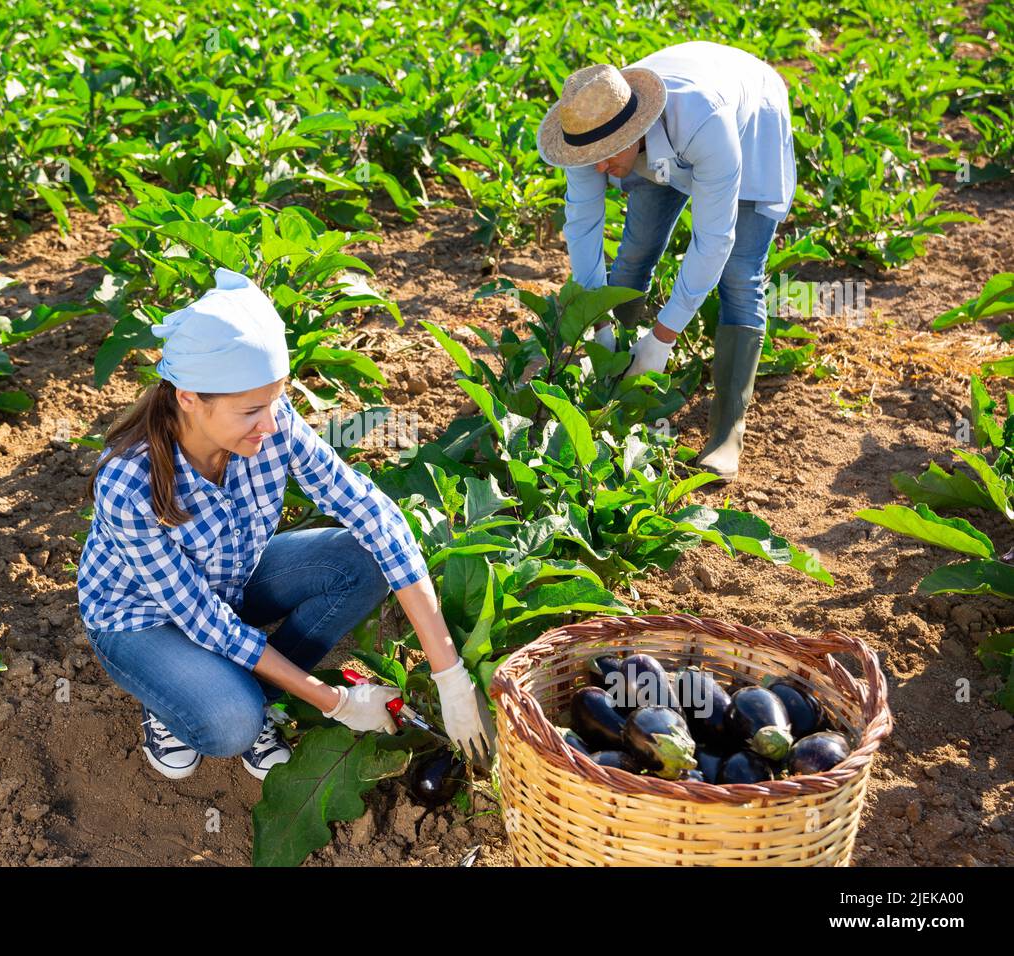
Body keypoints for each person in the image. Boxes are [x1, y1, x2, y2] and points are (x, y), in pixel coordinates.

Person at [77, 267, 496, 782]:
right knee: (230, 723)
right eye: (252, 409)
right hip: (143, 619)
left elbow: (371, 512)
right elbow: (201, 617)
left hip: (231, 581)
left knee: (364, 560)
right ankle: (175, 701)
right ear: (189, 398)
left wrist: (449, 673)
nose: (272, 424)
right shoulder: (129, 482)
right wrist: (334, 701)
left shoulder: (270, 422)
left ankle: (253, 690)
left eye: (277, 399)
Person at [537, 40, 797, 481]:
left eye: (607, 157)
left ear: (633, 131)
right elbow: (582, 226)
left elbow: (713, 239)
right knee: (637, 248)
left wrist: (663, 337)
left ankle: (727, 432)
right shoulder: (588, 128)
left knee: (738, 273)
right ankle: (615, 384)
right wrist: (596, 322)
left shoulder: (704, 123)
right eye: (590, 160)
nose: (598, 169)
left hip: (748, 120)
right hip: (660, 136)